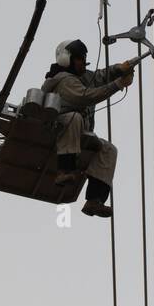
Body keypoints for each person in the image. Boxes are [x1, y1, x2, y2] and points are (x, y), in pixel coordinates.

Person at [41, 39, 134, 218]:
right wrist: (118, 84)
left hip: (74, 135)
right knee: (74, 117)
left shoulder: (81, 77)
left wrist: (119, 69)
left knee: (108, 149)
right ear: (67, 59)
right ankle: (64, 170)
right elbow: (86, 97)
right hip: (55, 131)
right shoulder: (63, 79)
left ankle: (95, 200)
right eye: (80, 59)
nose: (83, 63)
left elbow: (98, 77)